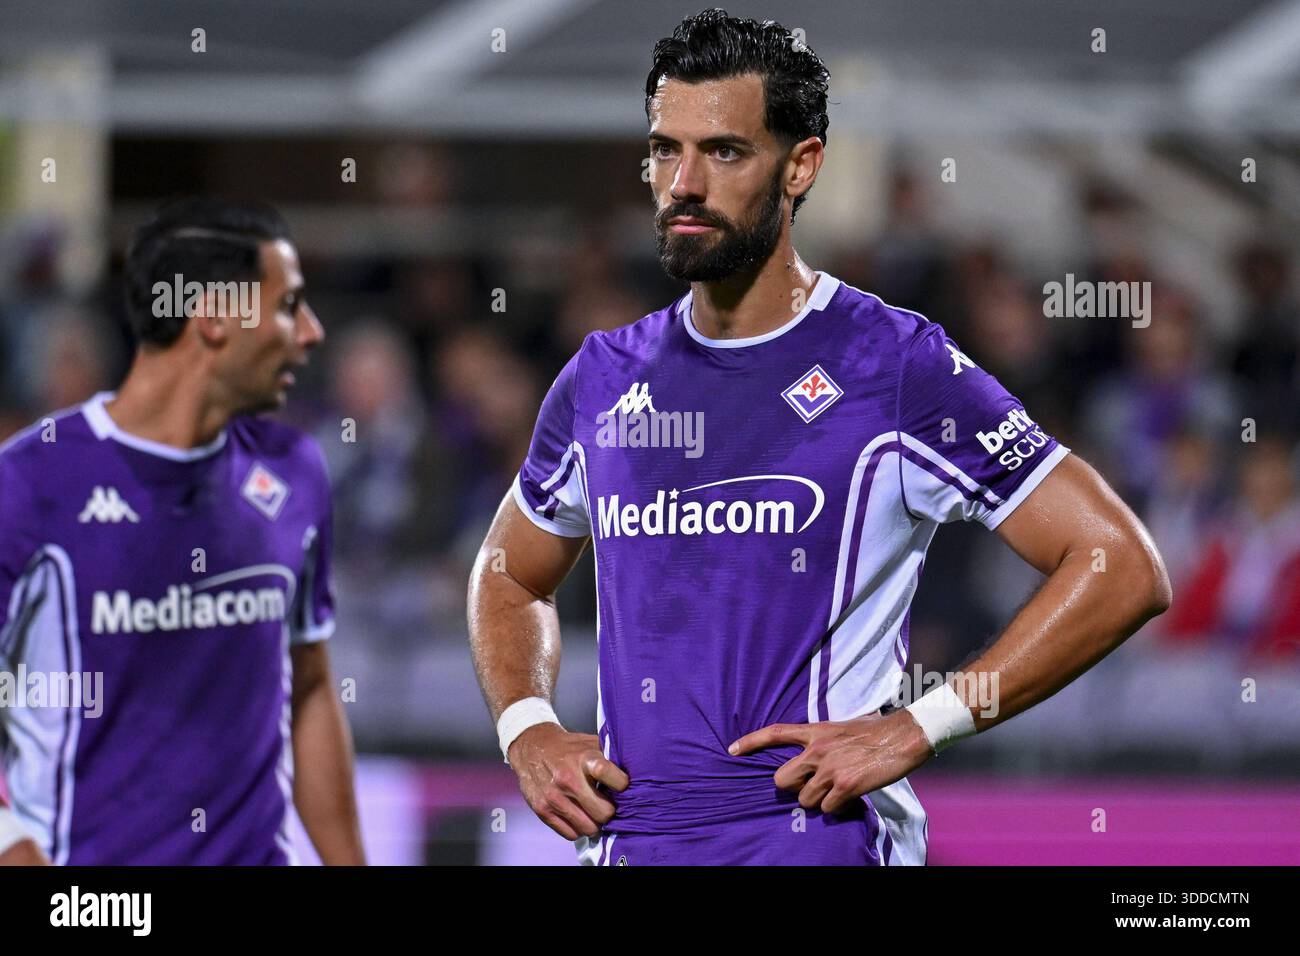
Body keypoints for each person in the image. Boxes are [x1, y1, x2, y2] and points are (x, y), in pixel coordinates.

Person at [468, 9, 1170, 865]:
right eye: (663, 149)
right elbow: (508, 576)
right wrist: (527, 728)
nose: (683, 182)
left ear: (801, 166)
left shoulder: (894, 364)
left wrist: (920, 726)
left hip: (818, 844)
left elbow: (1119, 565)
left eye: (723, 151)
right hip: (631, 846)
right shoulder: (603, 377)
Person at [0, 198, 364, 864]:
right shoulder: (30, 484)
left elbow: (311, 685)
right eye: (288, 307)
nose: (310, 332)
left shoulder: (293, 472)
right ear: (214, 320)